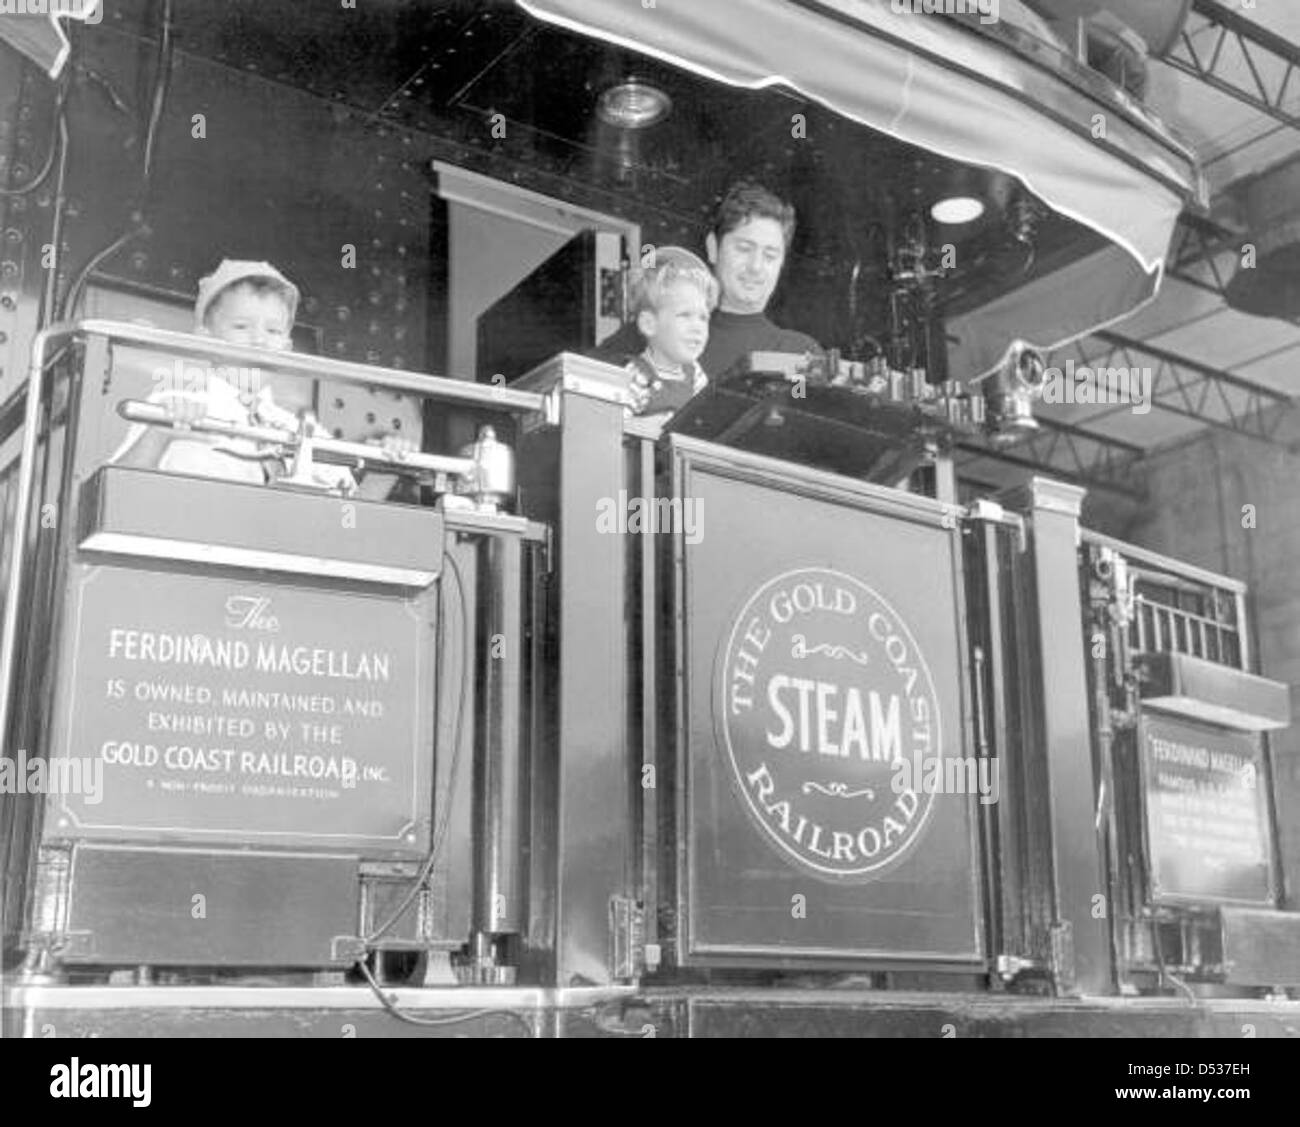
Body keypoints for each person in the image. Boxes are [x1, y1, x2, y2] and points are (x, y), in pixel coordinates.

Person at [113, 260, 410, 498]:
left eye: (273, 332)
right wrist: (160, 432)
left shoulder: (301, 427)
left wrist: (387, 467)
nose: (259, 341)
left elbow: (348, 520)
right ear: (204, 337)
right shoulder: (174, 404)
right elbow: (116, 495)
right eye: (241, 326)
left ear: (286, 347)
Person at [596, 180, 821, 378]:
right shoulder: (656, 326)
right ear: (713, 248)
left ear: (782, 263)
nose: (756, 267)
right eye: (744, 249)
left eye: (770, 255)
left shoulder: (798, 352)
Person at [623, 247, 718, 423]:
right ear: (649, 324)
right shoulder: (636, 377)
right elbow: (614, 428)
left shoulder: (696, 376)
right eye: (685, 315)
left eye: (703, 318)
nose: (697, 327)